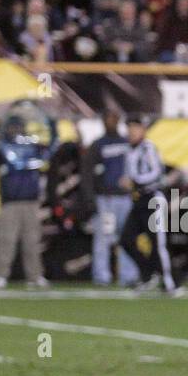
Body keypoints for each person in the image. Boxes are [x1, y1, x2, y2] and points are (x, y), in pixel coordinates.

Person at [117, 115, 179, 295]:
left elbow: (156, 173)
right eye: (129, 128)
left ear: (143, 130)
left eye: (135, 128)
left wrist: (135, 181)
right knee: (126, 240)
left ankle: (171, 282)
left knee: (158, 243)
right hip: (138, 200)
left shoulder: (148, 148)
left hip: (153, 199)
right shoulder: (129, 150)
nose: (131, 132)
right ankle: (148, 274)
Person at [82, 111, 141, 286]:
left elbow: (138, 167)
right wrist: (90, 198)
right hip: (105, 199)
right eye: (108, 119)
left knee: (127, 237)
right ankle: (102, 276)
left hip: (125, 198)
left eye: (114, 119)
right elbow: (87, 173)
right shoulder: (98, 145)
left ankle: (128, 275)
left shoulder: (127, 142)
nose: (111, 122)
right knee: (103, 238)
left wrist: (135, 186)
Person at [0, 114, 50, 289]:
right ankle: (0, 274)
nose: (16, 130)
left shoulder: (33, 146)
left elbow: (49, 150)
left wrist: (51, 123)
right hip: (10, 201)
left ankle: (35, 275)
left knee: (32, 241)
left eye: (18, 127)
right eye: (13, 127)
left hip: (31, 201)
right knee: (6, 240)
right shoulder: (2, 147)